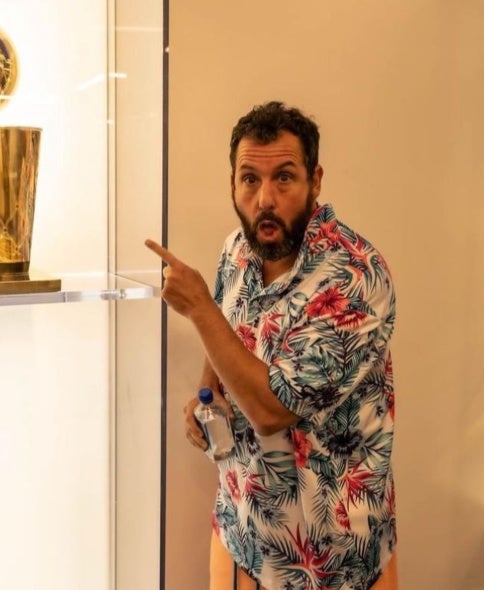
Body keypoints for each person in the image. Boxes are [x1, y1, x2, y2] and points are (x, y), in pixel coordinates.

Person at [145, 101, 398, 590]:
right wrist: (208, 394)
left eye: (284, 178)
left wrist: (197, 306)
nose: (265, 199)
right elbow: (228, 325)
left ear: (315, 180)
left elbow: (271, 410)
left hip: (329, 562)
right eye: (250, 179)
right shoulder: (237, 251)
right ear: (232, 185)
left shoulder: (355, 279)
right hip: (241, 528)